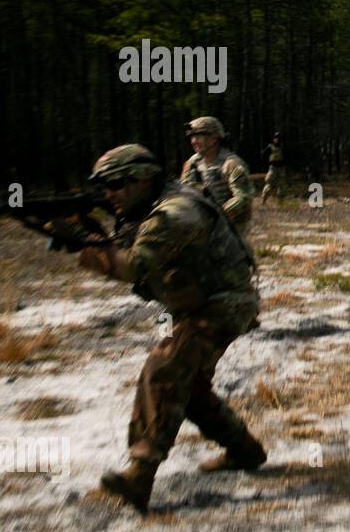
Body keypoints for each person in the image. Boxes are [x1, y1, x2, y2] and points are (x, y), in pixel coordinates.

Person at [79, 144, 268, 513]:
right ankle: (245, 451)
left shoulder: (176, 211)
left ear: (144, 178)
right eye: (104, 187)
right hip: (199, 303)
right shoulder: (148, 206)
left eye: (116, 184)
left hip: (224, 304)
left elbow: (134, 266)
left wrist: (85, 245)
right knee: (190, 388)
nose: (110, 194)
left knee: (165, 367)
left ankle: (140, 474)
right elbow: (124, 245)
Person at [181, 116, 255, 237]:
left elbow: (243, 198)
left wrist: (217, 215)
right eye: (192, 137)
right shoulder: (192, 163)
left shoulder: (232, 164)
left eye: (198, 136)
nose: (193, 141)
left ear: (214, 138)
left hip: (231, 226)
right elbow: (183, 192)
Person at [262, 132, 287, 202]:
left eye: (278, 138)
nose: (277, 140)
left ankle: (281, 201)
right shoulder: (270, 147)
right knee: (269, 184)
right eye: (276, 138)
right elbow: (264, 155)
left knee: (281, 185)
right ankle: (264, 199)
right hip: (273, 168)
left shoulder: (282, 147)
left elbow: (287, 156)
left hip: (281, 168)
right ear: (273, 139)